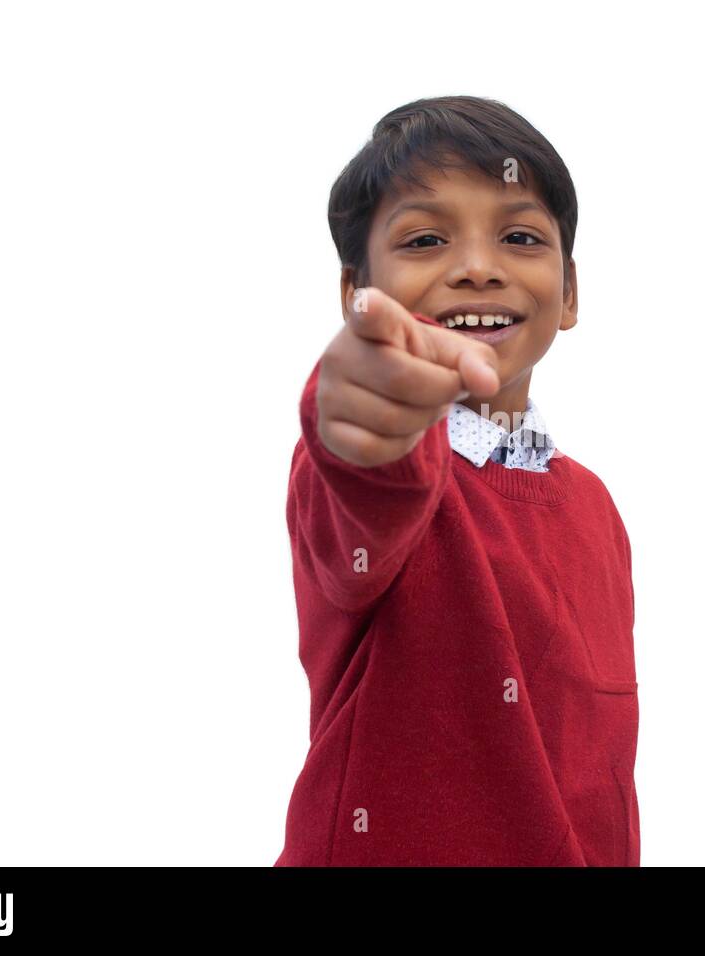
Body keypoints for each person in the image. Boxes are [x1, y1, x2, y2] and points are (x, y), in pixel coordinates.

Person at [274, 95, 639, 865]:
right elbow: (361, 481)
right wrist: (355, 417)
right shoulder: (371, 463)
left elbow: (598, 769)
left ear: (569, 292)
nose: (478, 267)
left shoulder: (597, 508)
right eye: (426, 238)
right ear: (355, 297)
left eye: (518, 236)